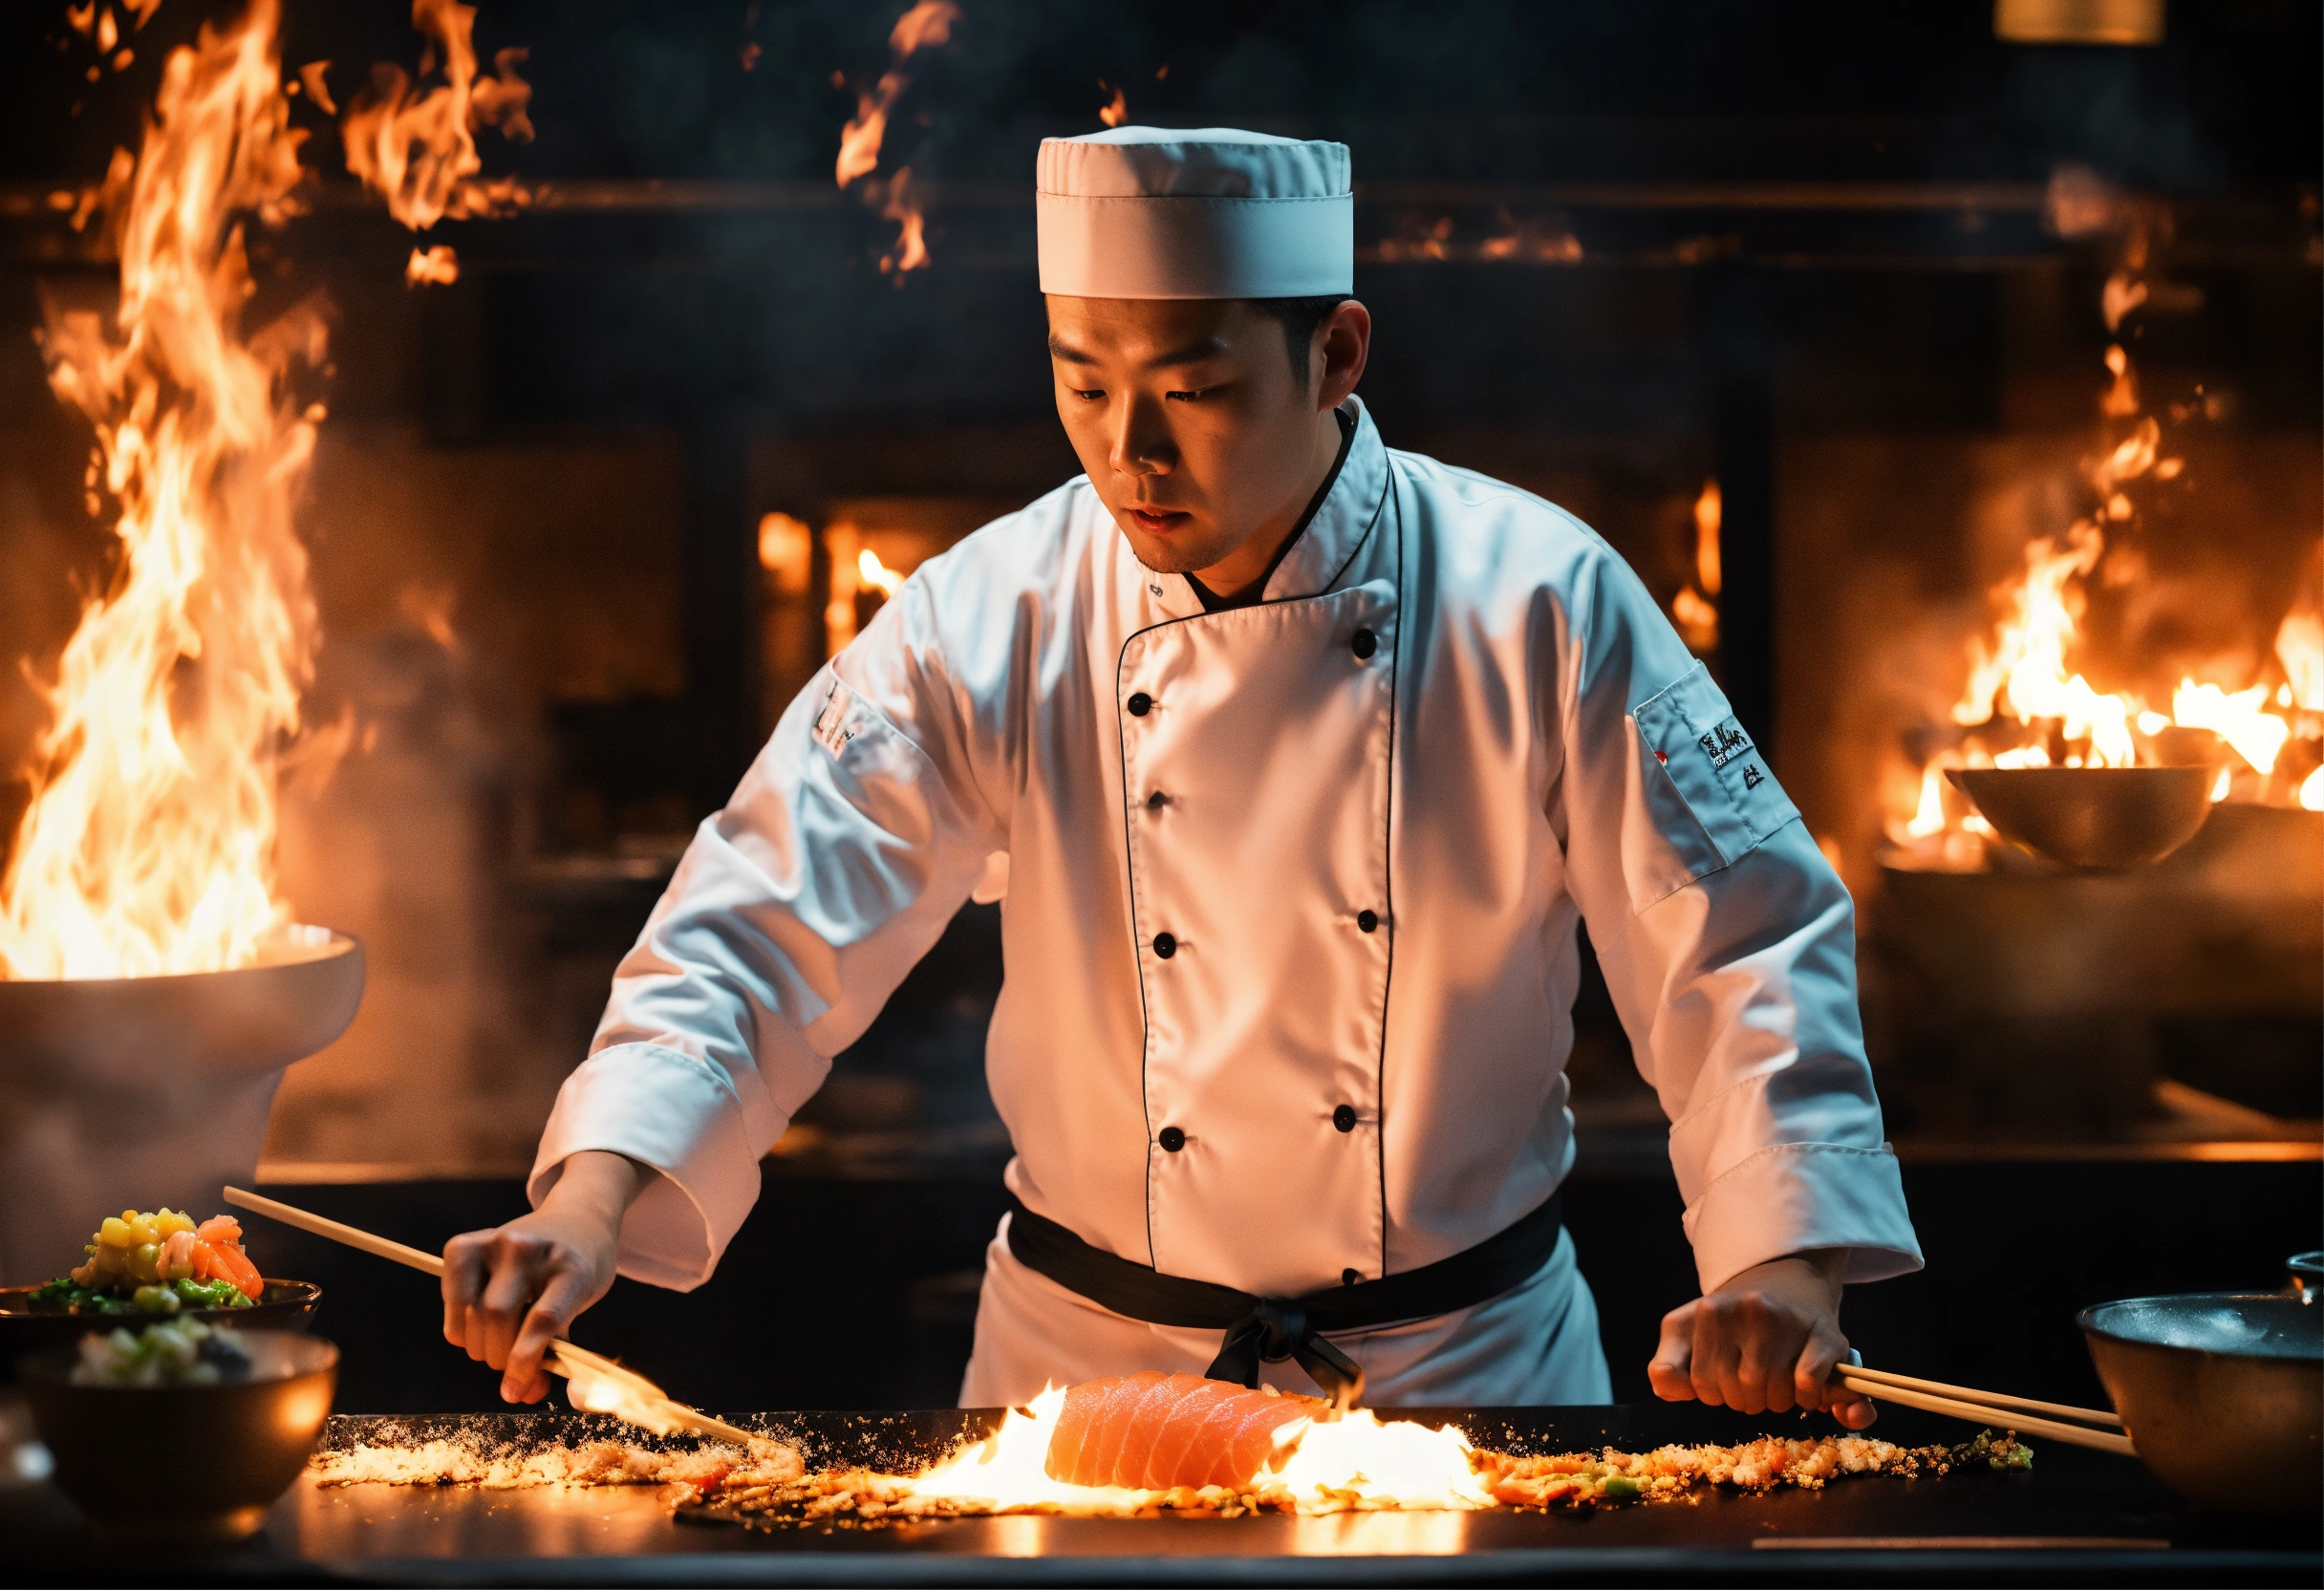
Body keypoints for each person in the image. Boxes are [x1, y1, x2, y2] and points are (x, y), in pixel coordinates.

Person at [442, 127, 1921, 1420]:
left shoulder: (1538, 599)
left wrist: (1783, 1272)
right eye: (1080, 384)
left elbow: (1741, 945)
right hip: (1083, 1386)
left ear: (1337, 356)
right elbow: (766, 916)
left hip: (1464, 1385)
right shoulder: (992, 612)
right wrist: (593, 1195)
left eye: (1191, 389)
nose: (1125, 451)